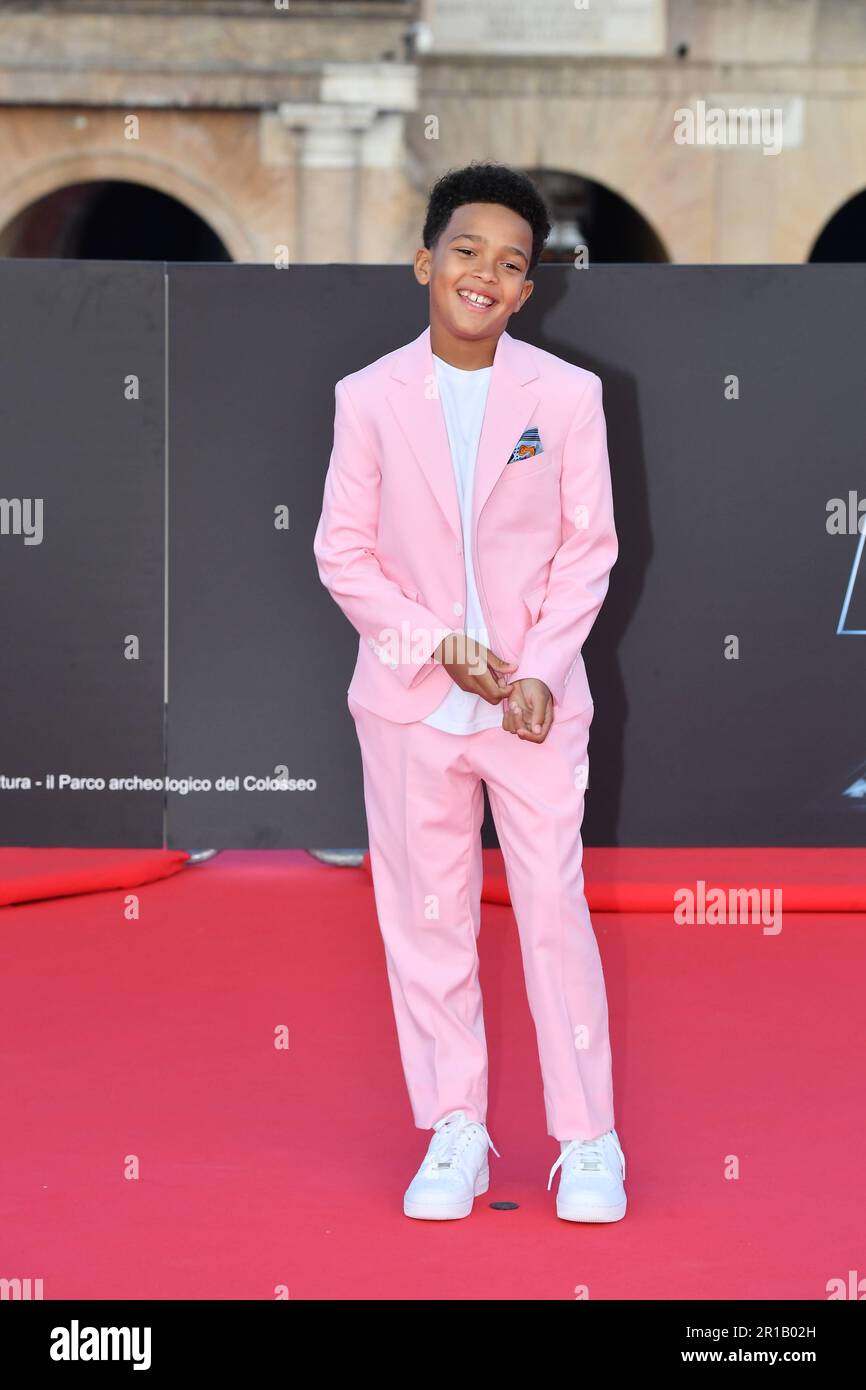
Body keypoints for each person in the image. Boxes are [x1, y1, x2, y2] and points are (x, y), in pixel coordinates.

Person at [313, 160, 625, 1223]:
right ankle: (456, 1128)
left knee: (551, 912)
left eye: (509, 263)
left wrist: (533, 672)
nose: (484, 274)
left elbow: (589, 552)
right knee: (427, 921)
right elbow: (342, 553)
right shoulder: (364, 398)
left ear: (526, 288)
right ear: (423, 263)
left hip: (532, 712)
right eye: (465, 252)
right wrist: (430, 645)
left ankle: (588, 1139)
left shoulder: (567, 398)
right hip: (407, 705)